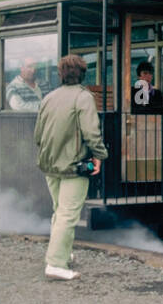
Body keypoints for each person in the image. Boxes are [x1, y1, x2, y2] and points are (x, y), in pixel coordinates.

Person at [34, 54, 108, 281]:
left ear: (61, 74)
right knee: (68, 214)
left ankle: (62, 255)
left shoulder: (49, 98)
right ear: (83, 74)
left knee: (59, 211)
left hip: (49, 163)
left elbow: (38, 134)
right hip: (74, 165)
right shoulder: (83, 97)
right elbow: (91, 132)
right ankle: (55, 264)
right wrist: (100, 155)